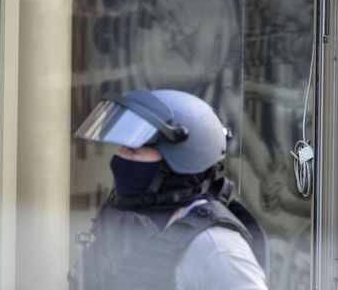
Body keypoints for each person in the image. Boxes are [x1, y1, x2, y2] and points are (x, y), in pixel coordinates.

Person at [70, 88, 269, 290]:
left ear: (179, 162)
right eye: (121, 148)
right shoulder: (127, 225)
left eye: (133, 150)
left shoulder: (217, 248)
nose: (119, 158)